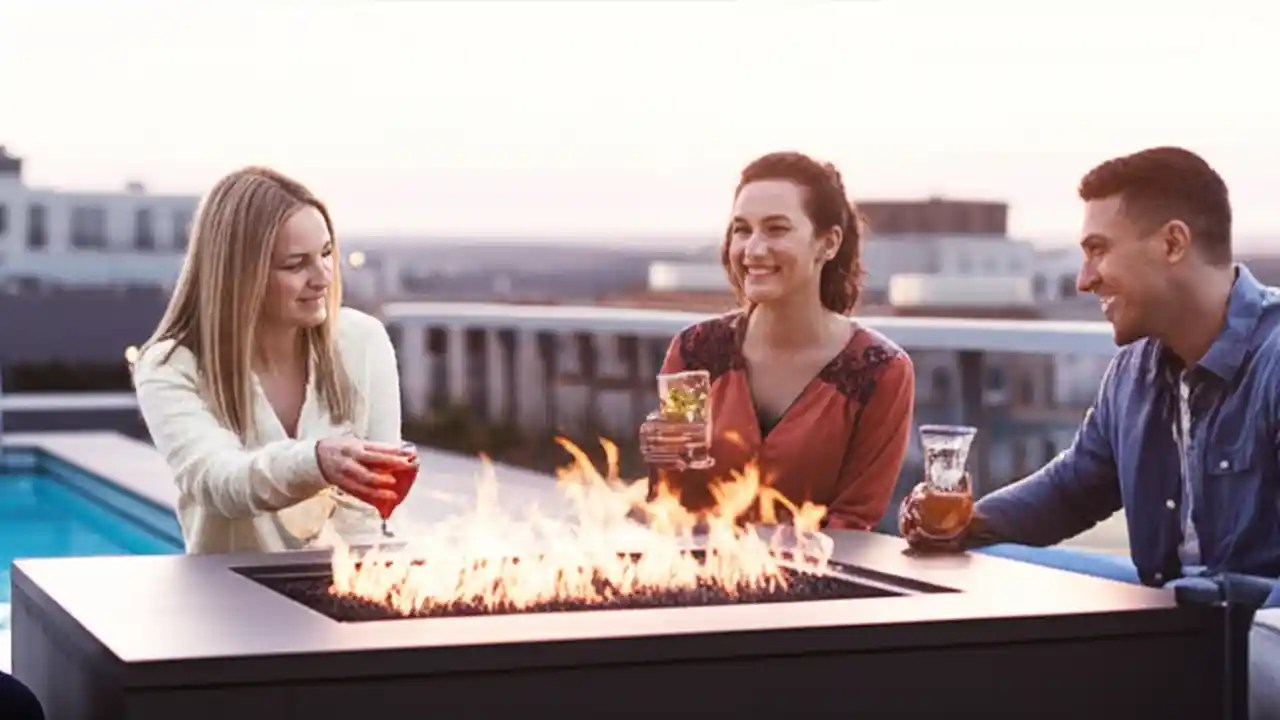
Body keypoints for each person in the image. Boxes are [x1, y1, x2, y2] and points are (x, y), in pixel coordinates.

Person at [900, 146, 1280, 607]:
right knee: (982, 568)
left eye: (1098, 250)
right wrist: (962, 525)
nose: (1084, 280)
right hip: (1172, 617)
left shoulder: (1272, 361)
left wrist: (1208, 604)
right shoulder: (1134, 370)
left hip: (1255, 630)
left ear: (1173, 244)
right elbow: (1072, 490)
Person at [133, 166, 417, 555]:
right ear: (240, 275)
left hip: (348, 596)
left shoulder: (363, 342)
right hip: (230, 602)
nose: (323, 277)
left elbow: (370, 513)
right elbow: (218, 483)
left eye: (327, 253)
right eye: (296, 264)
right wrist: (316, 462)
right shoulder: (168, 366)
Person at [639, 151, 915, 530]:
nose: (752, 250)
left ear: (828, 243)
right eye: (741, 229)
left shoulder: (880, 371)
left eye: (776, 229)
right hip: (699, 575)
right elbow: (670, 499)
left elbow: (853, 519)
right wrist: (663, 463)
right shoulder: (695, 352)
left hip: (823, 580)